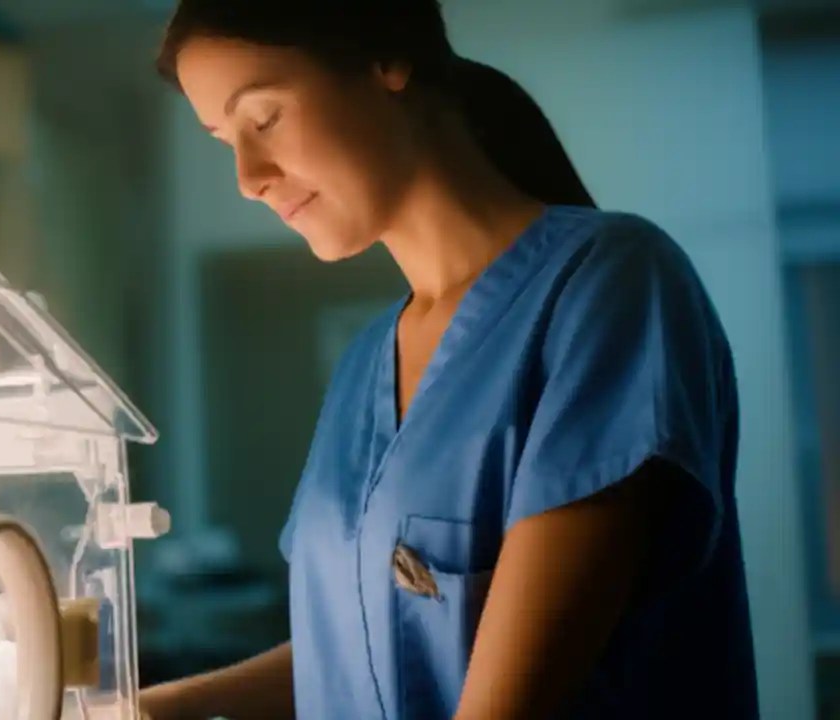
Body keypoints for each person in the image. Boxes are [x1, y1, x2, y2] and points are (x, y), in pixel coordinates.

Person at [140, 2, 759, 719]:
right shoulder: (366, 363)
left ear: (387, 56)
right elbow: (363, 649)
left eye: (265, 118)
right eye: (225, 142)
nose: (248, 176)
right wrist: (156, 708)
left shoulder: (609, 283)